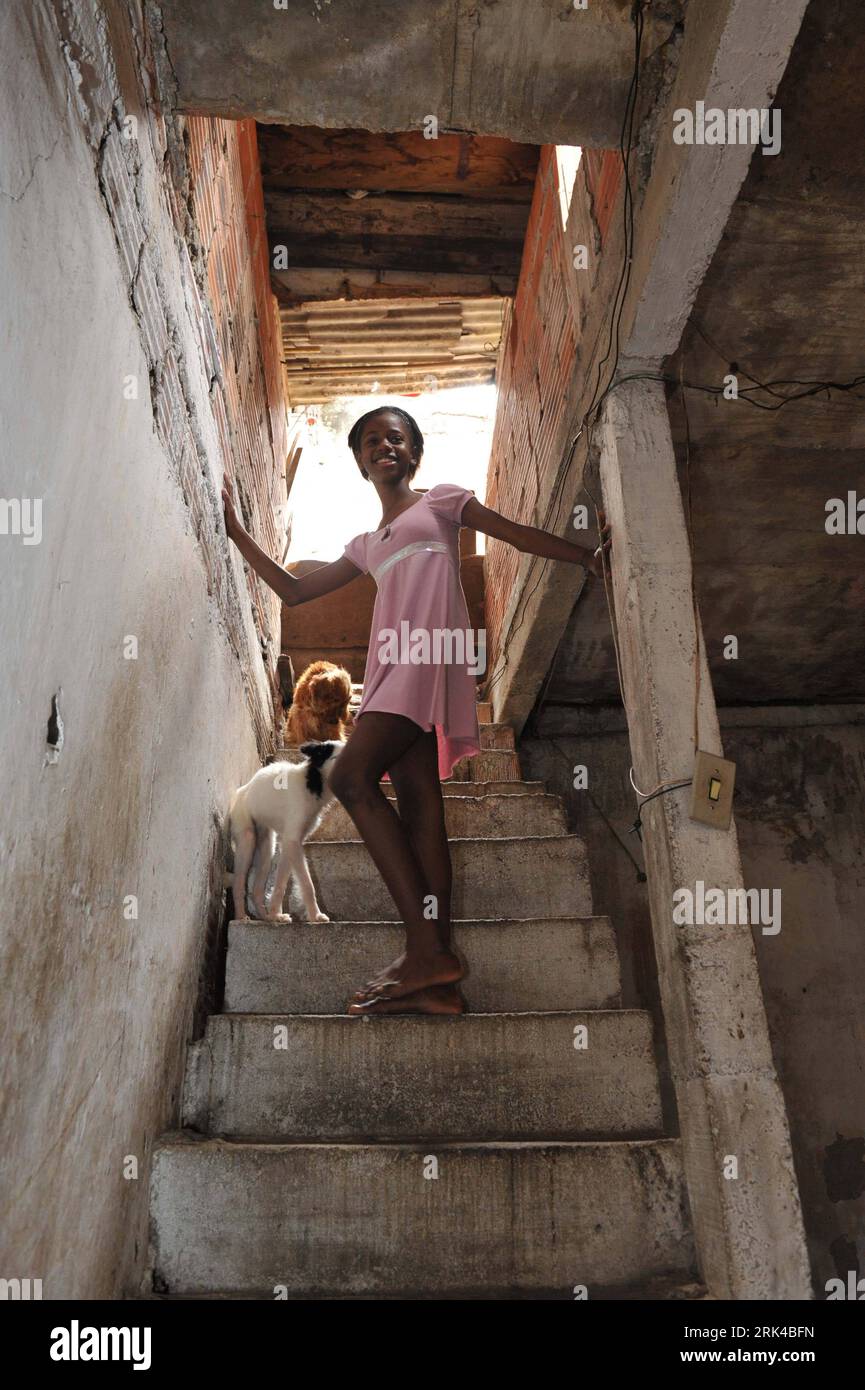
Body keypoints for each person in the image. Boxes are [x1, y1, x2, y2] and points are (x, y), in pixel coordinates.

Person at [222, 405, 611, 1017]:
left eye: (396, 437)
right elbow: (295, 592)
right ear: (359, 461)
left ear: (414, 454)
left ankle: (424, 950)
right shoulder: (365, 544)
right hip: (386, 671)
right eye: (371, 440)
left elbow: (515, 533)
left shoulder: (443, 502)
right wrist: (236, 533)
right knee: (422, 808)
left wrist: (585, 556)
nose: (384, 446)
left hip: (429, 657)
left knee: (349, 777)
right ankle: (439, 979)